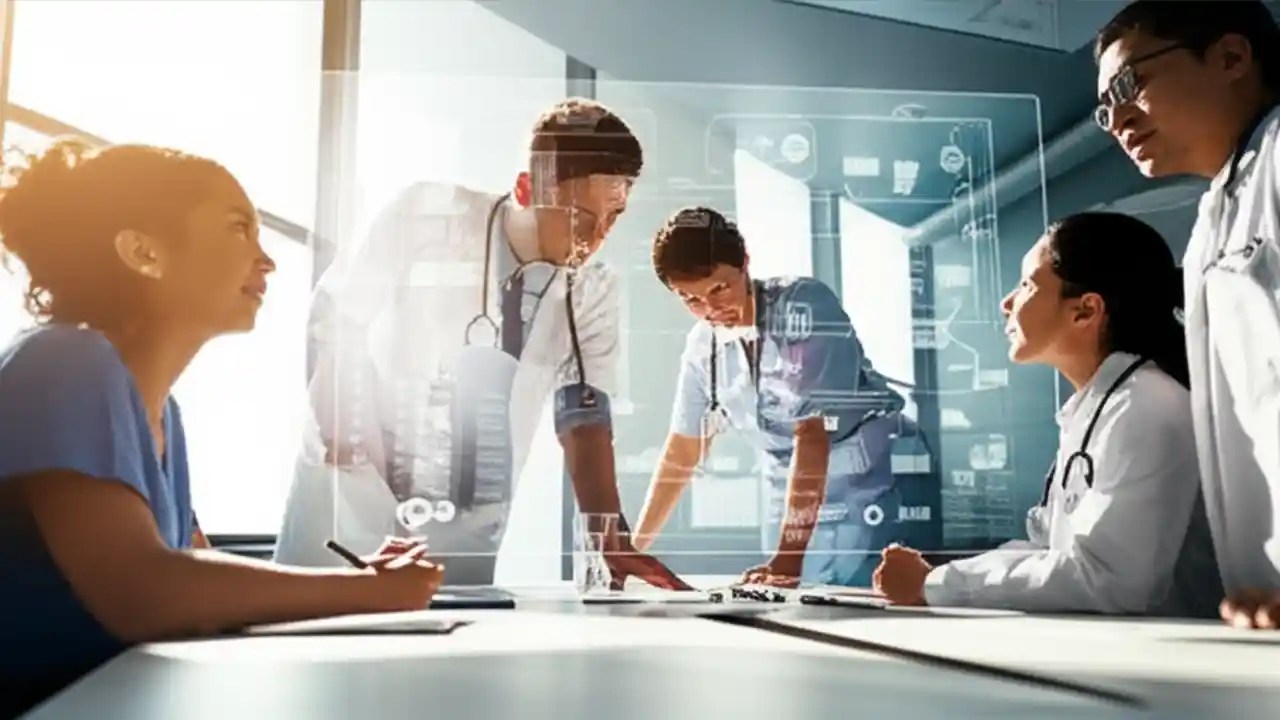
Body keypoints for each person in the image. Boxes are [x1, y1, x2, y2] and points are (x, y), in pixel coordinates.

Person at [0, 139, 443, 716]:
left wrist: (368, 587)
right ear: (143, 251)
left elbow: (193, 576)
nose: (267, 260)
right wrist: (371, 594)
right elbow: (144, 591)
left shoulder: (159, 414)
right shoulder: (64, 364)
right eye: (239, 229)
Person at [275, 98, 688, 590]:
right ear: (526, 188)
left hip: (464, 516)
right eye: (580, 216)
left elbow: (585, 418)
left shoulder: (593, 289)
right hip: (352, 484)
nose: (596, 237)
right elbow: (337, 318)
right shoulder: (425, 213)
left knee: (448, 644)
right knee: (318, 637)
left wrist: (609, 535)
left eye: (613, 217)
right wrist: (339, 414)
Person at [874, 213, 1221, 617]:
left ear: (1085, 311)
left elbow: (1110, 581)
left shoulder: (1146, 406)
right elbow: (1047, 551)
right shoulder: (1101, 406)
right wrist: (935, 577)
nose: (1007, 303)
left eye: (1026, 285)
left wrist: (935, 584)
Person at [1094, 0, 1280, 628]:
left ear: (1230, 56)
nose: (1115, 118)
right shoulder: (1209, 222)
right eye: (1102, 109)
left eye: (1128, 85)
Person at [632, 206, 928, 588]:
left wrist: (788, 560)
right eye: (690, 299)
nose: (710, 310)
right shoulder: (702, 348)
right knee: (796, 602)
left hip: (874, 479)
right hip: (795, 493)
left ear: (745, 264)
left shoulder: (803, 304)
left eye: (719, 288)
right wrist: (632, 553)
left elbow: (812, 432)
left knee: (873, 597)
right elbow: (683, 451)